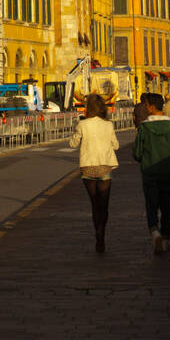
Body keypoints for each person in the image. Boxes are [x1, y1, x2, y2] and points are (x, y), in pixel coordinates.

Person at [133, 93, 170, 254]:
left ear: (150, 107)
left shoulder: (144, 128)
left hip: (150, 173)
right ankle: (165, 237)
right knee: (167, 206)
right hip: (169, 173)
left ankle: (154, 231)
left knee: (151, 205)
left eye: (146, 105)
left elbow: (137, 154)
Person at [69, 93, 119, 253]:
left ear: (88, 108)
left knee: (94, 204)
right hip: (104, 166)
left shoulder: (83, 124)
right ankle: (101, 233)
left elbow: (73, 143)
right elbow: (116, 145)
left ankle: (96, 231)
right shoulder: (108, 125)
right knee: (104, 205)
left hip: (88, 167)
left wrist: (76, 136)